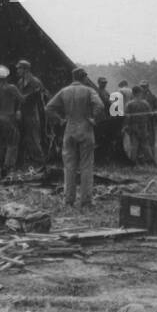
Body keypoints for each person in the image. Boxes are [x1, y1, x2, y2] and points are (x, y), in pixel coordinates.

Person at [45, 67, 105, 208]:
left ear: (73, 78)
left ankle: (68, 200)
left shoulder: (64, 91)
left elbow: (48, 108)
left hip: (69, 129)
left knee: (69, 166)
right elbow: (100, 106)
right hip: (85, 129)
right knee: (86, 166)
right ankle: (86, 201)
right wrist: (93, 118)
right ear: (84, 78)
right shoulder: (89, 90)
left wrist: (60, 120)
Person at [14, 60, 49, 168]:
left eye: (19, 68)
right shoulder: (20, 82)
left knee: (33, 139)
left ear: (25, 69)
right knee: (22, 139)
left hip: (32, 114)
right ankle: (24, 164)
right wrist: (18, 110)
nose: (17, 70)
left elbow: (42, 97)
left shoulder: (35, 82)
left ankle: (40, 164)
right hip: (22, 114)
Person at [124, 85, 155, 164]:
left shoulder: (129, 104)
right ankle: (150, 161)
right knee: (145, 145)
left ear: (133, 93)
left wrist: (126, 126)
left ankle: (133, 162)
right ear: (140, 93)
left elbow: (127, 117)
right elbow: (150, 115)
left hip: (133, 127)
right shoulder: (145, 103)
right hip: (144, 126)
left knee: (134, 145)